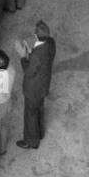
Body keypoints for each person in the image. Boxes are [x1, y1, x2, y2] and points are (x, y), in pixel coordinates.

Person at [17, 20, 57, 149]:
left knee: (30, 115)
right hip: (43, 85)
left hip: (33, 89)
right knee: (39, 108)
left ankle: (31, 141)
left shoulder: (36, 56)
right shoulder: (51, 43)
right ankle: (40, 132)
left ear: (35, 36)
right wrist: (31, 52)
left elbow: (28, 72)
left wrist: (23, 56)